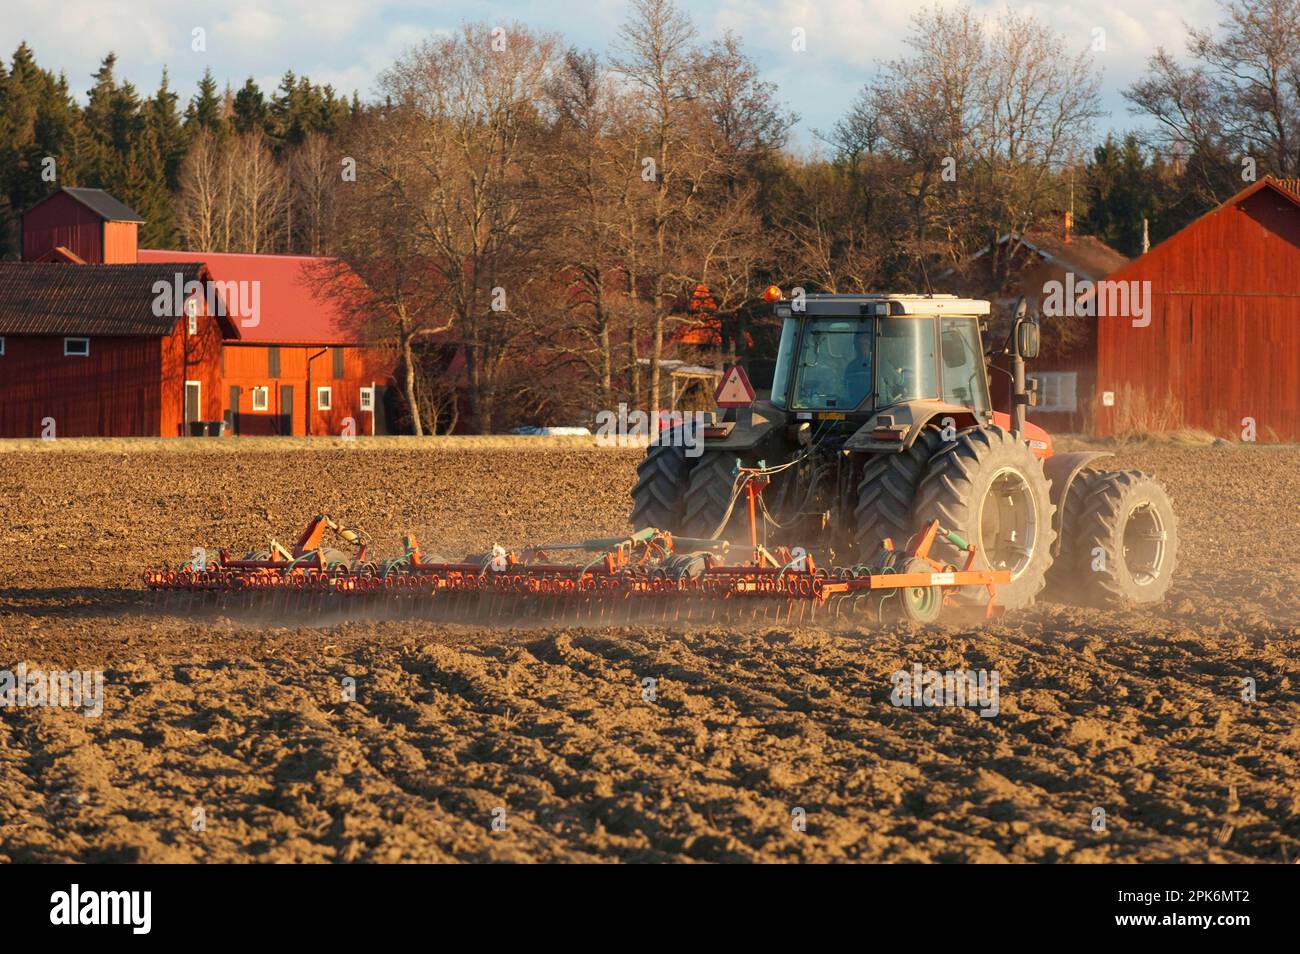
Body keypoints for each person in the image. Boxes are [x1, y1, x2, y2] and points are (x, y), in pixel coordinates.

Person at [842, 328, 873, 405]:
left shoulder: (850, 366)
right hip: (860, 406)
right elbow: (898, 381)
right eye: (862, 344)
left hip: (855, 406)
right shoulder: (851, 367)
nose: (864, 346)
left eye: (866, 344)